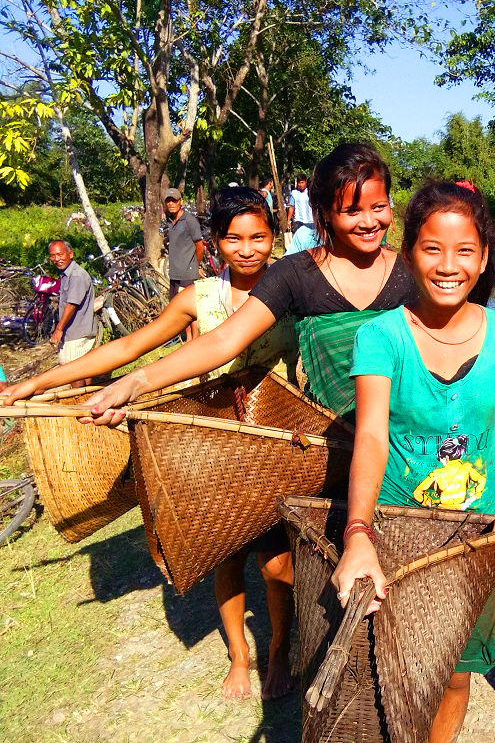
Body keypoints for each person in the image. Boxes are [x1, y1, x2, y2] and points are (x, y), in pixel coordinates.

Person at [3, 188, 300, 701]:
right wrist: (38, 383)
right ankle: (239, 655)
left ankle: (277, 650)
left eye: (259, 237)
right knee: (221, 555)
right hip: (205, 444)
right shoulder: (199, 298)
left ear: (275, 236)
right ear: (215, 243)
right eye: (234, 239)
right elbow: (127, 346)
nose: (248, 249)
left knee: (278, 564)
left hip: (272, 444)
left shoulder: (295, 291)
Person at [331, 181, 495, 743]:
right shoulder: (382, 337)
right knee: (388, 661)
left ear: (483, 260)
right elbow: (372, 437)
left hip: (475, 537)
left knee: (453, 671)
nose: (448, 265)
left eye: (464, 251)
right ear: (408, 255)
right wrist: (358, 533)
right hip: (395, 527)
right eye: (432, 249)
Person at [80, 142, 418, 430]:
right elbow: (224, 339)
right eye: (352, 210)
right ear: (326, 213)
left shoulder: (410, 271)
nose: (370, 221)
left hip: (413, 438)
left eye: (379, 206)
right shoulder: (296, 273)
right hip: (331, 442)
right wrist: (135, 382)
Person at [48, 240, 97, 385]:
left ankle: (78, 402)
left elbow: (71, 305)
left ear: (71, 254)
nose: (57, 259)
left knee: (72, 372)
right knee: (84, 370)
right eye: (53, 256)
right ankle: (86, 400)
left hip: (76, 332)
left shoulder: (76, 276)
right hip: (78, 330)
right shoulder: (67, 274)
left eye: (60, 254)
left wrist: (59, 329)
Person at [163, 187, 206, 342]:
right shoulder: (169, 220)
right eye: (168, 201)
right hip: (175, 272)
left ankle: (195, 338)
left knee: (190, 307)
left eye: (174, 200)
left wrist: (195, 265)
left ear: (181, 201)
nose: (171, 203)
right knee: (179, 307)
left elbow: (200, 245)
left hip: (187, 272)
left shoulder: (189, 221)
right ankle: (188, 337)